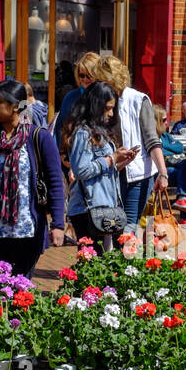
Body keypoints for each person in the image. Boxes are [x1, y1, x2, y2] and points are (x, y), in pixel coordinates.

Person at [0, 79, 65, 276]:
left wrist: (58, 224)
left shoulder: (39, 138)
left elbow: (55, 183)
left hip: (26, 234)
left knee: (20, 292)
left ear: (16, 106)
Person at [67, 81, 131, 252]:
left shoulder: (100, 131)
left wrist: (120, 162)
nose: (111, 113)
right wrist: (111, 159)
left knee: (103, 260)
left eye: (113, 108)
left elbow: (99, 171)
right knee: (92, 261)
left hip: (103, 204)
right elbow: (81, 170)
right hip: (87, 207)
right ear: (96, 106)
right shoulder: (83, 133)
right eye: (107, 108)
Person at [101, 57, 166, 226]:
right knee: (111, 225)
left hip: (136, 174)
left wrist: (163, 173)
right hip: (109, 171)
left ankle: (125, 252)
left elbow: (152, 139)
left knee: (128, 225)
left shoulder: (138, 99)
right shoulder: (99, 101)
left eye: (103, 80)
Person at [53, 51, 102, 151]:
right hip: (74, 154)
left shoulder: (105, 96)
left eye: (89, 75)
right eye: (81, 75)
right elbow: (60, 128)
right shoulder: (71, 97)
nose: (85, 79)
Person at [158, 105, 186, 213]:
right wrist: (170, 148)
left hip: (173, 167)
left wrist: (166, 147)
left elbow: (179, 147)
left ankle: (182, 199)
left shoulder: (165, 135)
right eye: (164, 120)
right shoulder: (153, 136)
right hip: (161, 171)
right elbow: (160, 152)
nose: (167, 123)